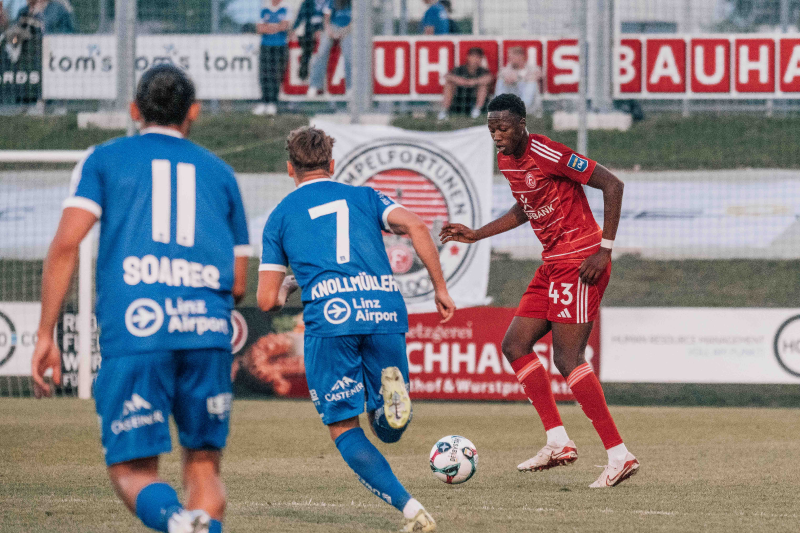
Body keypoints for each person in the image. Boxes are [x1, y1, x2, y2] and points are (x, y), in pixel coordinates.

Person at [30, 64, 251, 533]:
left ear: (134, 110)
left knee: (133, 470)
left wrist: (46, 333)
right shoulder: (222, 173)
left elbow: (67, 244)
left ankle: (173, 520)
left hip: (138, 329)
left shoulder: (103, 159)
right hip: (206, 330)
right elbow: (237, 282)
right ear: (194, 112)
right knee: (204, 467)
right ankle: (196, 523)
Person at [258, 126, 455, 532]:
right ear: (332, 165)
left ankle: (411, 510)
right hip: (384, 309)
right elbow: (418, 225)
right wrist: (439, 287)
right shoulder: (364, 197)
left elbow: (266, 301)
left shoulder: (280, 215)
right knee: (388, 430)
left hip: (332, 318)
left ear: (289, 169)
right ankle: (389, 404)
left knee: (344, 426)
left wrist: (294, 283)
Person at [440, 94, 639, 488]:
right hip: (552, 262)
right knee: (514, 344)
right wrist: (478, 234)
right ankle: (558, 441)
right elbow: (525, 207)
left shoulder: (548, 151)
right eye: (492, 128)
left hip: (581, 260)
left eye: (504, 127)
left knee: (567, 357)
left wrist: (605, 249)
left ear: (522, 123)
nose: (497, 135)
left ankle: (620, 455)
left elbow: (613, 185)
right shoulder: (506, 159)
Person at [253, 0, 293, 116]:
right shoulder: (264, 8)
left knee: (276, 74)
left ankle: (272, 103)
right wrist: (276, 27)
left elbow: (284, 26)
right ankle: (264, 102)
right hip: (265, 45)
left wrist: (268, 27)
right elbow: (259, 29)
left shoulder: (286, 8)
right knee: (264, 74)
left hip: (280, 46)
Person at [306, 0, 351, 96]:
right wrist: (329, 31)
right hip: (332, 27)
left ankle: (350, 88)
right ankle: (314, 85)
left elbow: (355, 20)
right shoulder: (332, 1)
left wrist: (345, 31)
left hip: (347, 29)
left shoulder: (353, 3)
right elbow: (326, 18)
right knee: (321, 53)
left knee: (349, 56)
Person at [437, 47, 493, 120]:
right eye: (473, 57)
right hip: (459, 98)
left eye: (478, 57)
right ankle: (444, 111)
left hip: (474, 99)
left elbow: (489, 78)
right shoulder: (460, 69)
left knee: (483, 86)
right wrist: (460, 80)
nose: (475, 60)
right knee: (449, 85)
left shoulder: (483, 71)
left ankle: (477, 111)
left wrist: (473, 82)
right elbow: (447, 76)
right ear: (468, 57)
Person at [495, 46, 543, 118]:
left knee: (531, 82)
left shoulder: (531, 68)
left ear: (521, 57)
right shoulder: (507, 69)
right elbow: (501, 74)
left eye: (512, 58)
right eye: (509, 58)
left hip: (528, 106)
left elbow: (539, 74)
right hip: (511, 104)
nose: (510, 60)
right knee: (501, 80)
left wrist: (518, 77)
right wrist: (507, 77)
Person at [292, 0, 327, 80]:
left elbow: (332, 17)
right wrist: (293, 30)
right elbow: (299, 18)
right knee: (307, 48)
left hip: (327, 32)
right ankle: (303, 75)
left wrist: (321, 29)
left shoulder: (329, 2)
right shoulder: (307, 3)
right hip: (309, 34)